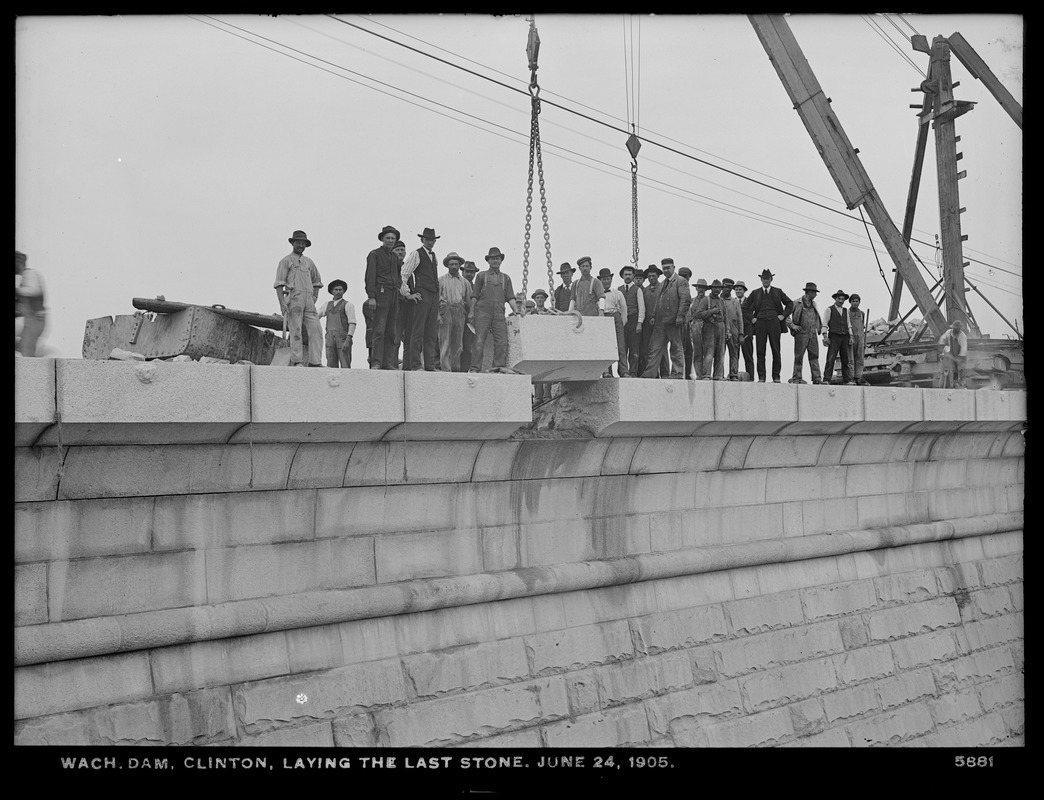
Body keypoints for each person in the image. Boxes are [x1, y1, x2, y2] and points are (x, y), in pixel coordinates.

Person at [274, 230, 324, 367]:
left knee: (316, 331)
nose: (301, 245)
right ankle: (297, 361)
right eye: (298, 243)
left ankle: (315, 361)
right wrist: (282, 303)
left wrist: (314, 296)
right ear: (293, 243)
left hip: (309, 300)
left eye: (303, 243)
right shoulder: (285, 261)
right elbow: (279, 284)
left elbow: (317, 281)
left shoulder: (309, 262)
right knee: (296, 331)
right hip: (294, 298)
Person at [470, 247, 519, 372]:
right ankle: (475, 368)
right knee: (479, 340)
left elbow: (510, 297)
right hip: (482, 312)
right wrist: (471, 312)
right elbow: (474, 296)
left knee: (502, 342)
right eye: (492, 259)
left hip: (499, 313)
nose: (495, 261)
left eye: (497, 258)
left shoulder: (506, 278)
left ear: (501, 260)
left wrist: (516, 310)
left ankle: (498, 367)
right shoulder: (481, 276)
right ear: (488, 261)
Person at [399, 227, 442, 371]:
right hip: (422, 294)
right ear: (422, 240)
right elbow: (403, 274)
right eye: (427, 240)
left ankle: (430, 365)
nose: (430, 242)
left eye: (432, 240)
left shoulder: (434, 256)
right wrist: (407, 294)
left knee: (431, 332)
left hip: (434, 295)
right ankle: (416, 364)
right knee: (417, 331)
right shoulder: (416, 254)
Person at [641, 257, 690, 379]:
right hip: (660, 321)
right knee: (654, 347)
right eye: (664, 268)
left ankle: (677, 373)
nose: (666, 270)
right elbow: (658, 302)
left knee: (676, 347)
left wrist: (680, 316)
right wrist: (653, 316)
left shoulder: (681, 281)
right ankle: (650, 373)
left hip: (674, 321)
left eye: (668, 268)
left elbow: (685, 300)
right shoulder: (662, 283)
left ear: (674, 267)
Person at [742, 268, 793, 383]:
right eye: (764, 279)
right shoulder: (755, 293)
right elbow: (745, 308)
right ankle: (761, 377)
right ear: (761, 280)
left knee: (776, 350)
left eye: (768, 279)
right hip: (760, 323)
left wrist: (783, 315)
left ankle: (776, 376)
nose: (766, 281)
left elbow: (790, 304)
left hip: (774, 322)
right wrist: (752, 318)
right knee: (760, 351)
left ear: (771, 279)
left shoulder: (778, 291)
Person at [364, 225, 402, 370]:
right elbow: (370, 276)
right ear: (382, 239)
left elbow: (398, 275)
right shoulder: (374, 254)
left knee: (391, 331)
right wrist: (371, 296)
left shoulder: (394, 257)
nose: (390, 241)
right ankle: (376, 362)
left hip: (393, 294)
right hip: (380, 293)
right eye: (388, 238)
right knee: (379, 330)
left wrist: (398, 286)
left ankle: (388, 362)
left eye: (393, 238)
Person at [438, 251, 471, 372]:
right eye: (451, 264)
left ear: (459, 265)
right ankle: (445, 368)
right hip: (445, 310)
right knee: (445, 341)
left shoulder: (465, 282)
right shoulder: (441, 280)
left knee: (458, 343)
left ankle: (455, 368)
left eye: (456, 264)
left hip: (459, 311)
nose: (453, 267)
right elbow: (436, 299)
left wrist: (471, 313)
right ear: (447, 265)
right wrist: (437, 315)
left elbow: (469, 300)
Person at [787, 282, 822, 384]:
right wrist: (792, 326)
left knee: (814, 355)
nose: (815, 295)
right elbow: (785, 315)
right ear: (808, 292)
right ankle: (797, 378)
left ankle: (817, 378)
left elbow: (816, 317)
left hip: (812, 333)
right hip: (801, 333)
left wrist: (819, 329)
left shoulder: (814, 304)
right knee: (799, 356)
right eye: (814, 292)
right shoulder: (796, 303)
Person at [318, 279, 356, 368]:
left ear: (344, 291)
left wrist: (349, 338)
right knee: (331, 364)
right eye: (336, 289)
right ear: (332, 291)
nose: (338, 292)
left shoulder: (348, 305)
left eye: (340, 290)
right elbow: (317, 315)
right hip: (330, 338)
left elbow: (352, 323)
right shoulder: (327, 304)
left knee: (345, 364)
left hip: (343, 338)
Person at [15, 250, 46, 358]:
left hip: (35, 319)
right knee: (24, 348)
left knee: (27, 350)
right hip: (30, 320)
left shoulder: (29, 274)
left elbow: (33, 290)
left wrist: (18, 291)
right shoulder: (24, 277)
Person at [694, 279, 727, 380]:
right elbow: (698, 314)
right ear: (711, 289)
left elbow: (725, 317)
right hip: (709, 327)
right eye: (715, 288)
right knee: (709, 352)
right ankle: (706, 374)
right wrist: (712, 311)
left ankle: (718, 375)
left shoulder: (721, 301)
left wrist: (727, 330)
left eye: (719, 288)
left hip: (721, 326)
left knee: (720, 352)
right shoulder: (706, 300)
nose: (717, 290)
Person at [821, 289, 855, 385]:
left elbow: (848, 324)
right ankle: (826, 379)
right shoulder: (829, 309)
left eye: (843, 299)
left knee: (845, 359)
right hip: (834, 336)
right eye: (839, 299)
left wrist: (851, 336)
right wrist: (825, 336)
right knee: (830, 358)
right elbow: (825, 323)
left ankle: (847, 380)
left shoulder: (845, 311)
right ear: (835, 299)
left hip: (845, 336)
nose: (841, 301)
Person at [599, 267, 628, 377]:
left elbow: (624, 309)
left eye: (608, 279)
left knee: (620, 346)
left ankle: (624, 371)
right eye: (604, 279)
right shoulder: (598, 295)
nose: (606, 281)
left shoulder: (617, 293)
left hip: (616, 318)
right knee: (605, 347)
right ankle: (606, 372)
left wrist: (622, 322)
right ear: (600, 281)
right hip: (603, 319)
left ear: (611, 279)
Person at [618, 265, 645, 377]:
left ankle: (633, 372)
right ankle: (623, 371)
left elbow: (641, 307)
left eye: (630, 274)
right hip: (622, 321)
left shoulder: (637, 290)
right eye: (626, 275)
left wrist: (639, 323)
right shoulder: (618, 290)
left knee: (634, 348)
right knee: (622, 347)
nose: (628, 277)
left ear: (633, 276)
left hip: (633, 320)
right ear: (622, 276)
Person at [638, 265, 662, 378]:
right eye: (649, 276)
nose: (651, 278)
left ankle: (664, 372)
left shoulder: (662, 288)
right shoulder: (645, 290)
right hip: (647, 324)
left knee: (660, 348)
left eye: (653, 275)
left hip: (659, 322)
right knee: (647, 348)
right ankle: (650, 372)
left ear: (657, 276)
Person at [391, 239, 410, 369]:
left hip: (407, 306)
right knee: (395, 337)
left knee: (408, 338)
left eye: (402, 250)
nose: (400, 252)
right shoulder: (389, 266)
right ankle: (392, 363)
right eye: (397, 250)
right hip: (395, 305)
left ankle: (407, 365)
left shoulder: (408, 267)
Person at [721, 278, 743, 381]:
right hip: (721, 330)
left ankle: (733, 374)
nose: (728, 289)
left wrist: (741, 333)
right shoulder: (718, 300)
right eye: (726, 287)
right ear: (722, 286)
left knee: (734, 353)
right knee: (720, 353)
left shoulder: (735, 302)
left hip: (734, 330)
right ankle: (719, 374)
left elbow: (740, 319)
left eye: (730, 287)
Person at [459, 261, 479, 372]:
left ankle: (464, 370)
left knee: (467, 347)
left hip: (469, 322)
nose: (469, 274)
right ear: (463, 272)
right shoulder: (457, 284)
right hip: (456, 318)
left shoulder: (477, 288)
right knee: (455, 345)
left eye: (472, 272)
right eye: (467, 271)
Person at [733, 280, 755, 380]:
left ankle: (751, 377)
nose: (738, 291)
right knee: (734, 356)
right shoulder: (732, 302)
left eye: (740, 289)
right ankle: (734, 375)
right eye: (736, 289)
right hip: (735, 331)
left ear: (744, 291)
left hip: (747, 332)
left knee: (748, 356)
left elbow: (754, 314)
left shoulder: (749, 301)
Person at [677, 267, 696, 379]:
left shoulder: (686, 287)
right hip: (680, 322)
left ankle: (687, 373)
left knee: (688, 350)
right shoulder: (677, 286)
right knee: (679, 348)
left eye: (686, 276)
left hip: (687, 322)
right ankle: (679, 373)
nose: (684, 278)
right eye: (682, 276)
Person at [938, 319, 968, 388]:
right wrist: (941, 352)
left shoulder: (962, 336)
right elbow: (942, 340)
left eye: (957, 329)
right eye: (954, 329)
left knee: (961, 369)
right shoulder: (948, 333)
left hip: (960, 356)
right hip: (952, 354)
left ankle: (962, 384)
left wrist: (959, 360)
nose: (955, 330)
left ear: (959, 329)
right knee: (951, 368)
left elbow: (963, 349)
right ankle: (952, 383)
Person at [688, 277, 708, 380]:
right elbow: (689, 315)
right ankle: (698, 374)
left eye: (703, 288)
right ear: (696, 288)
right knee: (697, 352)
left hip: (706, 327)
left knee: (707, 351)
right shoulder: (692, 300)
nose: (701, 290)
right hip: (695, 327)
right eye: (699, 287)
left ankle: (706, 374)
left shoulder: (708, 300)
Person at [848, 293, 867, 385]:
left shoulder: (862, 313)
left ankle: (858, 376)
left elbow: (863, 326)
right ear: (850, 302)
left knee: (859, 357)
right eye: (853, 301)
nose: (855, 303)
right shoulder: (847, 313)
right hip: (851, 337)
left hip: (860, 337)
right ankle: (851, 377)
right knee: (851, 358)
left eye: (857, 301)